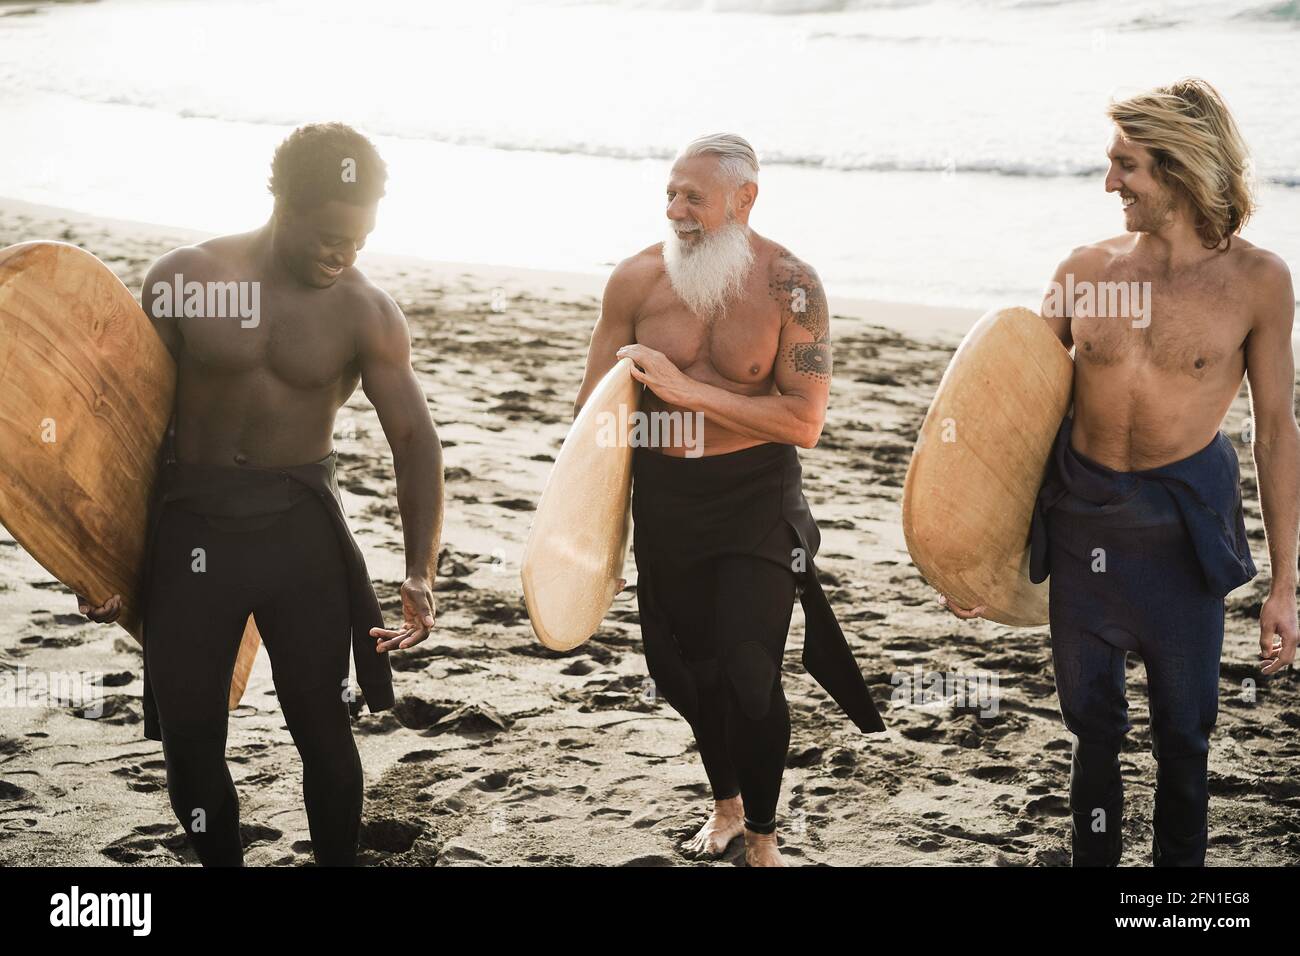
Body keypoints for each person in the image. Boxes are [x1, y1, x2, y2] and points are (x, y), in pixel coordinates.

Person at [943, 79, 1298, 866]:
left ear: (1179, 168)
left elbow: (1275, 432)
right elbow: (1016, 417)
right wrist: (969, 552)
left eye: (1125, 166)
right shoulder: (1084, 269)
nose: (1110, 185)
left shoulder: (1259, 284)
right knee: (1092, 729)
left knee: (1184, 734)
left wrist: (1284, 588)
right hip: (1082, 527)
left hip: (1180, 539)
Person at [78, 122, 445, 866]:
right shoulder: (187, 278)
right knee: (189, 734)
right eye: (330, 237)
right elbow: (122, 425)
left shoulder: (364, 312)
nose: (345, 256)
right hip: (191, 532)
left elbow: (414, 439)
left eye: (362, 241)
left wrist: (419, 569)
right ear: (285, 205)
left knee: (320, 723)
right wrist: (96, 557)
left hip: (299, 535)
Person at [574, 133, 884, 868]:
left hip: (755, 499)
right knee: (683, 675)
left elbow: (804, 421)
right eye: (671, 194)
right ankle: (726, 801)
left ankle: (764, 837)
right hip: (666, 501)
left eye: (695, 199)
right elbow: (594, 416)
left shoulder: (792, 286)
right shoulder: (636, 282)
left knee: (749, 675)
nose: (677, 212)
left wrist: (685, 392)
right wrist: (596, 539)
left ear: (745, 201)